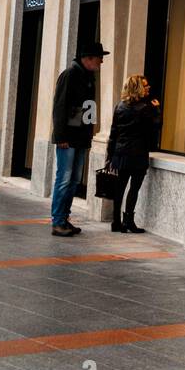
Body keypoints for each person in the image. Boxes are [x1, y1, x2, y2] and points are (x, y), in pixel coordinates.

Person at [51, 41, 107, 236]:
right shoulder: (70, 75)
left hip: (81, 138)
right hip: (68, 138)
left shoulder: (89, 77)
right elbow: (59, 107)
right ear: (87, 59)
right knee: (64, 179)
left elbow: (89, 109)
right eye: (99, 59)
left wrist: (89, 137)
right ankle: (57, 221)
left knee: (74, 180)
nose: (101, 62)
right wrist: (60, 137)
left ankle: (64, 218)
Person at [106, 75, 162, 233]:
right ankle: (128, 221)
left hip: (121, 154)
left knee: (119, 189)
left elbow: (113, 134)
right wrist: (157, 110)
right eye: (145, 85)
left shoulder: (120, 106)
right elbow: (155, 128)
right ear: (137, 88)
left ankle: (116, 222)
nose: (148, 87)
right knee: (133, 189)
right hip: (137, 155)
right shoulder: (145, 108)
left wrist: (109, 157)